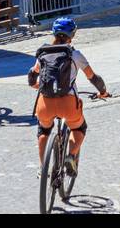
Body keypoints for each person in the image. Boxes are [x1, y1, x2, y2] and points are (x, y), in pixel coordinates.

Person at [28, 17, 110, 173]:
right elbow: (93, 77)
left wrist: (36, 85)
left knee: (43, 130)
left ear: (53, 33)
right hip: (68, 103)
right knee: (80, 128)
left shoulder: (43, 53)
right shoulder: (74, 54)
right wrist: (103, 92)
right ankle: (71, 156)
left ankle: (43, 168)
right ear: (72, 35)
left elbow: (32, 76)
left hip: (45, 103)